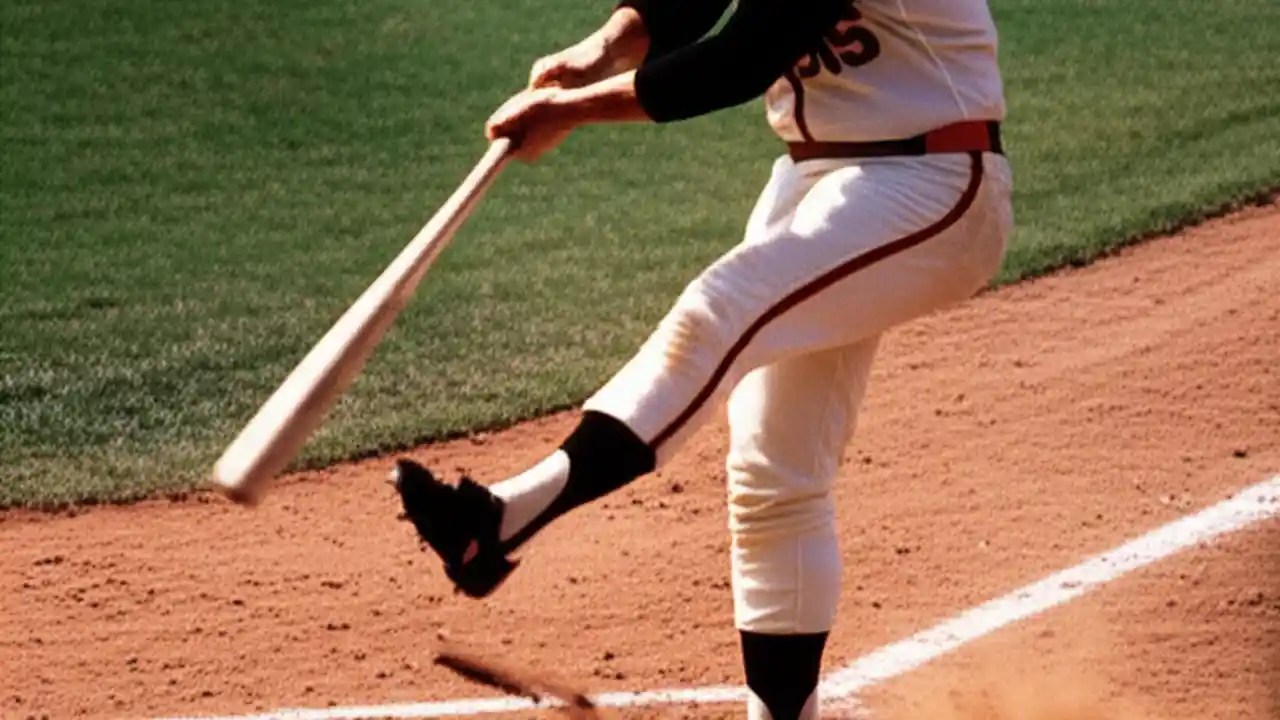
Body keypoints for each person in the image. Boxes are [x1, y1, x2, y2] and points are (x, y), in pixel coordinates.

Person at [393, 1, 1013, 717]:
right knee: (772, 475)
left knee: (721, 306)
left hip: (935, 180)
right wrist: (600, 50)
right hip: (823, 182)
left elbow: (743, 59)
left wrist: (571, 109)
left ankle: (501, 518)